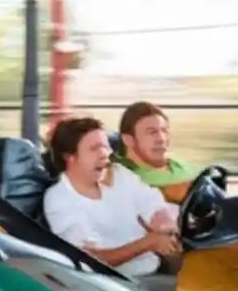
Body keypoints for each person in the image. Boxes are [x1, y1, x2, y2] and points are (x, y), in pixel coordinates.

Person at [42, 117, 180, 280]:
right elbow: (92, 259)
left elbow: (153, 207)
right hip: (119, 284)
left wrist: (166, 226)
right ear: (70, 157)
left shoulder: (119, 174)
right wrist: (148, 243)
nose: (105, 154)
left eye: (106, 146)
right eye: (94, 148)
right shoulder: (60, 199)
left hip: (154, 266)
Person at [113, 101, 203, 204]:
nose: (162, 139)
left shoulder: (183, 166)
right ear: (129, 140)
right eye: (152, 132)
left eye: (164, 131)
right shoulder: (118, 176)